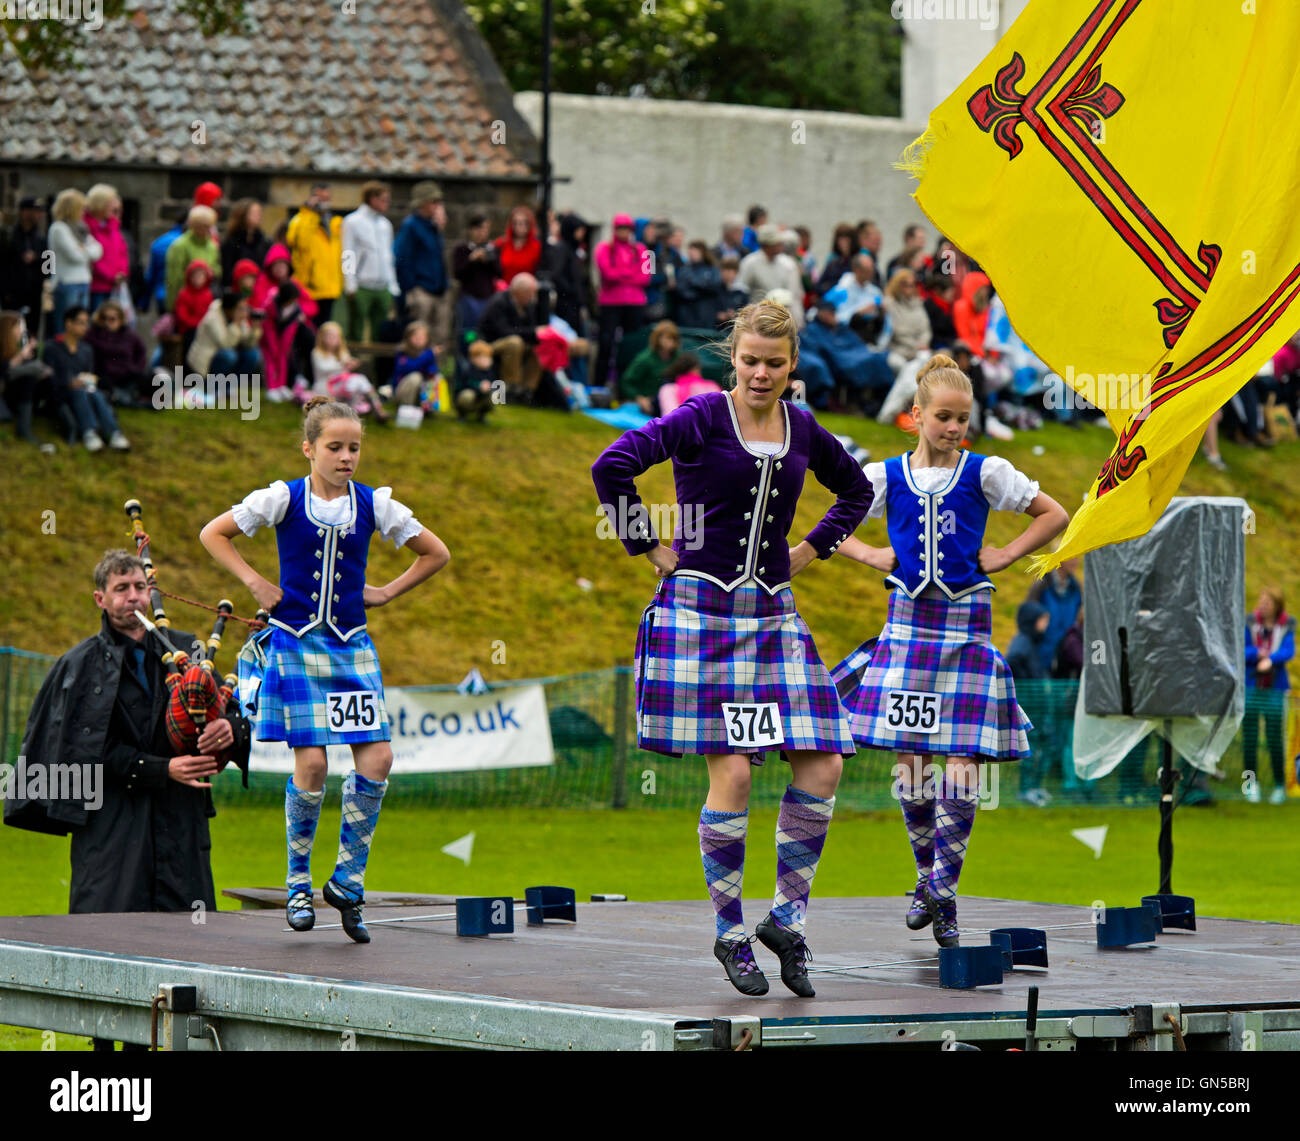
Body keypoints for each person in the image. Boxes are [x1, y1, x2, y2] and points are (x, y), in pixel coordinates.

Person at [591, 299, 872, 999]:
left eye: (774, 363)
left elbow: (858, 491)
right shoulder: (699, 417)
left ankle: (787, 920)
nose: (761, 373)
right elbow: (612, 464)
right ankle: (729, 932)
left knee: (825, 760)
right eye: (750, 360)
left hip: (773, 614)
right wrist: (649, 546)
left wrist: (809, 550)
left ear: (791, 365)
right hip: (702, 613)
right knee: (738, 777)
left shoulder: (802, 427)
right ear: (733, 357)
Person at [831, 354, 1068, 947]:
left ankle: (944, 889)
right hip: (908, 625)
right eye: (942, 417)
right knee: (911, 761)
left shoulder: (987, 472)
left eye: (962, 418)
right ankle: (927, 880)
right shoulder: (885, 475)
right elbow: (833, 525)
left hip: (966, 629)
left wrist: (1008, 554)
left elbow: (1055, 514)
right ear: (915, 416)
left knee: (963, 760)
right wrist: (873, 555)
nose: (954, 427)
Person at [200, 398, 450, 941]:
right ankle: (296, 882)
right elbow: (212, 534)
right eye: (334, 447)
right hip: (295, 643)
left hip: (352, 646)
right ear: (309, 448)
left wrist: (385, 591)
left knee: (380, 756)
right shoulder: (281, 498)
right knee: (311, 765)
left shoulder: (375, 506)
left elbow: (436, 554)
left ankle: (347, 880)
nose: (346, 457)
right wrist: (255, 583)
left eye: (354, 447)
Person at [5, 548, 252, 1050]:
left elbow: (239, 722)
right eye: (121, 589)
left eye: (139, 586)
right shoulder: (79, 665)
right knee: (112, 960)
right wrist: (162, 769)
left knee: (185, 959)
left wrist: (228, 732)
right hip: (111, 838)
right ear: (101, 598)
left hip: (180, 834)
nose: (133, 596)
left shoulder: (191, 653)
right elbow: (77, 754)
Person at [43, 306, 130, 451]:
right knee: (80, 392)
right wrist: (68, 383)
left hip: (85, 392)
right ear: (69, 323)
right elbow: (47, 377)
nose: (85, 327)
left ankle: (114, 432)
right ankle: (89, 432)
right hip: (60, 394)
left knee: (94, 393)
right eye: (81, 322)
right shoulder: (52, 347)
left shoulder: (86, 350)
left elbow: (89, 375)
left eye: (86, 323)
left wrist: (88, 381)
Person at [1243, 587, 1293, 804]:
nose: (1263, 606)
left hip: (1275, 689)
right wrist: (1257, 654)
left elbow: (1289, 650)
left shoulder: (1287, 624)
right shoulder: (1249, 622)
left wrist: (1271, 658)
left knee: (1275, 738)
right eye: (1261, 602)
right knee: (1250, 738)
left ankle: (1279, 785)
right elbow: (1242, 648)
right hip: (1252, 686)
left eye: (1268, 603)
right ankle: (1249, 783)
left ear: (1276, 605)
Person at [593, 213, 650, 391]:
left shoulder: (642, 249)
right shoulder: (603, 248)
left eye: (627, 228)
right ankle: (598, 384)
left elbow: (646, 277)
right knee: (606, 343)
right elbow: (607, 274)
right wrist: (630, 274)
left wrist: (621, 274)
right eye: (620, 228)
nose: (623, 232)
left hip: (634, 304)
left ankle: (626, 387)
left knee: (630, 345)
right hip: (610, 303)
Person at [394, 181, 452, 351]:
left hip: (439, 290)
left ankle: (437, 374)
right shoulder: (411, 226)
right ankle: (418, 372)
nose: (438, 206)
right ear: (423, 203)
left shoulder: (434, 227)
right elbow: (401, 258)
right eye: (434, 202)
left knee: (441, 337)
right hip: (421, 290)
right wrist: (411, 288)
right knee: (419, 336)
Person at [341, 181, 399, 345]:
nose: (387, 203)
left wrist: (392, 284)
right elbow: (348, 253)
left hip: (382, 286)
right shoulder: (352, 221)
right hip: (361, 285)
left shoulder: (385, 225)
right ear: (372, 199)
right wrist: (350, 283)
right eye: (383, 199)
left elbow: (388, 256)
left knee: (380, 333)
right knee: (356, 331)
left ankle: (377, 369)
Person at [480, 272, 548, 400]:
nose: (533, 297)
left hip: (515, 342)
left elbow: (530, 330)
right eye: (530, 293)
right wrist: (533, 332)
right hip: (490, 343)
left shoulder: (528, 306)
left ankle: (527, 391)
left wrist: (539, 334)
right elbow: (503, 331)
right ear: (520, 291)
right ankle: (511, 389)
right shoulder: (499, 302)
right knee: (514, 343)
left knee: (540, 347)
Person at [47, 189, 103, 339]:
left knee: (81, 328)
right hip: (67, 283)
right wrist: (86, 250)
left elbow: (99, 250)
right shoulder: (58, 228)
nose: (83, 212)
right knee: (66, 327)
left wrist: (83, 249)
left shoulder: (81, 229)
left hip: (83, 282)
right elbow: (75, 256)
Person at [285, 183, 343, 324]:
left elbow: (347, 252)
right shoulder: (300, 220)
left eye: (326, 198)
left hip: (332, 288)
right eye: (319, 197)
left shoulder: (336, 223)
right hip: (309, 288)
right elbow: (299, 242)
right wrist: (309, 212)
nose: (323, 202)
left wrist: (347, 278)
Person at [1, 309, 57, 452]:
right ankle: (24, 430)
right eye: (19, 327)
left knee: (37, 376)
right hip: (5, 395)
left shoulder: (18, 346)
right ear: (8, 329)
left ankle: (35, 416)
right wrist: (21, 356)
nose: (22, 331)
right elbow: (4, 372)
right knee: (30, 376)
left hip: (18, 392)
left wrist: (30, 353)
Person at [312, 321, 389, 422]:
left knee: (358, 381)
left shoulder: (342, 352)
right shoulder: (317, 353)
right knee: (358, 381)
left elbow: (345, 370)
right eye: (330, 336)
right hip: (326, 387)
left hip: (341, 386)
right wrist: (343, 365)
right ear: (322, 337)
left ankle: (374, 408)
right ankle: (373, 408)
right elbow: (323, 368)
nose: (333, 339)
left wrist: (351, 364)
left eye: (336, 336)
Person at [0, 196, 48, 338]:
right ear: (24, 212)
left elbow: (50, 266)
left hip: (34, 293)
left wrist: (36, 257)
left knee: (32, 329)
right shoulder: (8, 236)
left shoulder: (41, 237)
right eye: (35, 211)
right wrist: (4, 292)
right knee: (11, 329)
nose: (39, 215)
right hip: (13, 293)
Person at [737, 224, 805, 323]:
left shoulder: (788, 265)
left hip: (784, 321)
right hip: (758, 321)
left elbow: (795, 296)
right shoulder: (750, 263)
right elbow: (741, 292)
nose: (780, 245)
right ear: (765, 245)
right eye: (776, 243)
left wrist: (798, 322)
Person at [86, 299, 149, 406]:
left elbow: (141, 351)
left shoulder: (129, 335)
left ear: (120, 320)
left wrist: (137, 368)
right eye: (103, 318)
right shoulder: (93, 335)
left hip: (127, 376)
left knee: (154, 380)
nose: (107, 322)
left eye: (112, 319)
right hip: (104, 378)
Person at [188, 293, 262, 380]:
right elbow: (225, 344)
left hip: (225, 358)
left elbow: (248, 344)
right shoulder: (212, 318)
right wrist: (236, 324)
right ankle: (215, 387)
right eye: (240, 308)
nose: (244, 311)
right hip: (206, 362)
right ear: (229, 309)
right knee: (229, 356)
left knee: (253, 354)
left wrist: (254, 329)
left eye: (245, 308)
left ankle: (232, 387)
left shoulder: (238, 317)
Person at [84, 184, 130, 316]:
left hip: (114, 286)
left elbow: (122, 252)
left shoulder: (113, 226)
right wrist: (110, 276)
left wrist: (122, 273)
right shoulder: (87, 227)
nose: (115, 207)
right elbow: (93, 257)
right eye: (111, 203)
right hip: (96, 286)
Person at [452, 212, 500, 337]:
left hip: (488, 297)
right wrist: (471, 260)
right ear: (471, 229)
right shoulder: (462, 249)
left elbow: (499, 272)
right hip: (469, 298)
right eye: (479, 228)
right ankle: (467, 353)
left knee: (486, 331)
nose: (482, 233)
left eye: (485, 229)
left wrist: (487, 260)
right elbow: (458, 274)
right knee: (469, 332)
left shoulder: (492, 249)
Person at [164, 206, 220, 313]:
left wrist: (212, 272)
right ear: (194, 226)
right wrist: (172, 306)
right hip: (186, 301)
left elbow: (217, 268)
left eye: (210, 226)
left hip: (205, 300)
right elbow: (174, 278)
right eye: (205, 226)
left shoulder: (212, 246)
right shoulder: (180, 246)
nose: (209, 230)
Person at [618, 320, 681, 415]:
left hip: (672, 402)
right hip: (648, 403)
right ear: (658, 338)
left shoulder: (678, 358)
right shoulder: (645, 359)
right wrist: (640, 399)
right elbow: (627, 382)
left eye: (673, 339)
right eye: (667, 338)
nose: (670, 343)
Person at [882, 268, 932, 374]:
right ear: (897, 285)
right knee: (900, 365)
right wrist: (914, 345)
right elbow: (896, 330)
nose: (909, 288)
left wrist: (922, 343)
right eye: (905, 285)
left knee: (925, 359)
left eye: (912, 285)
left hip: (918, 349)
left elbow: (925, 329)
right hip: (896, 349)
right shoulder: (889, 303)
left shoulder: (918, 303)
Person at [221, 199, 271, 291]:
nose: (259, 216)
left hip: (259, 289)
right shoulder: (231, 242)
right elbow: (227, 272)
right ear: (243, 215)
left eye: (260, 213)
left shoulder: (264, 241)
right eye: (255, 213)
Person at [392, 321, 443, 408]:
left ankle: (428, 408)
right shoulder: (402, 352)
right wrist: (429, 354)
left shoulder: (427, 353)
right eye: (415, 336)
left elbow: (432, 369)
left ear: (427, 339)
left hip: (419, 393)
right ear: (408, 337)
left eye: (422, 337)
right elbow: (411, 367)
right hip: (401, 392)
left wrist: (431, 372)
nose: (419, 339)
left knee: (437, 378)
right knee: (415, 377)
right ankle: (406, 408)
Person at [674, 242, 724, 330]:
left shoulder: (712, 269)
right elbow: (681, 290)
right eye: (691, 252)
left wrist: (694, 283)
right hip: (688, 313)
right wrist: (701, 290)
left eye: (695, 252)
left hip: (706, 312)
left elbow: (714, 286)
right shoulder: (684, 270)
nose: (692, 255)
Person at [494, 204, 542, 286]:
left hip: (526, 291)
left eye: (524, 223)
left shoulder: (537, 246)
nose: (519, 226)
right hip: (504, 290)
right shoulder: (501, 243)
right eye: (516, 223)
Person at [454, 336, 498, 421]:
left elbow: (495, 383)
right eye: (484, 358)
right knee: (467, 395)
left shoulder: (490, 372)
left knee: (496, 395)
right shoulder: (467, 370)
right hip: (469, 398)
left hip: (481, 397)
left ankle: (482, 415)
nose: (487, 360)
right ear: (474, 359)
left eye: (488, 357)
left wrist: (490, 387)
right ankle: (462, 413)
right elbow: (463, 386)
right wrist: (478, 386)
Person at [715, 256, 748, 330]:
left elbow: (745, 313)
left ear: (736, 272)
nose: (726, 273)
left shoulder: (742, 291)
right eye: (723, 270)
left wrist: (735, 316)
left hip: (734, 330)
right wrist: (717, 315)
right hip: (717, 330)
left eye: (729, 270)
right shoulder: (715, 289)